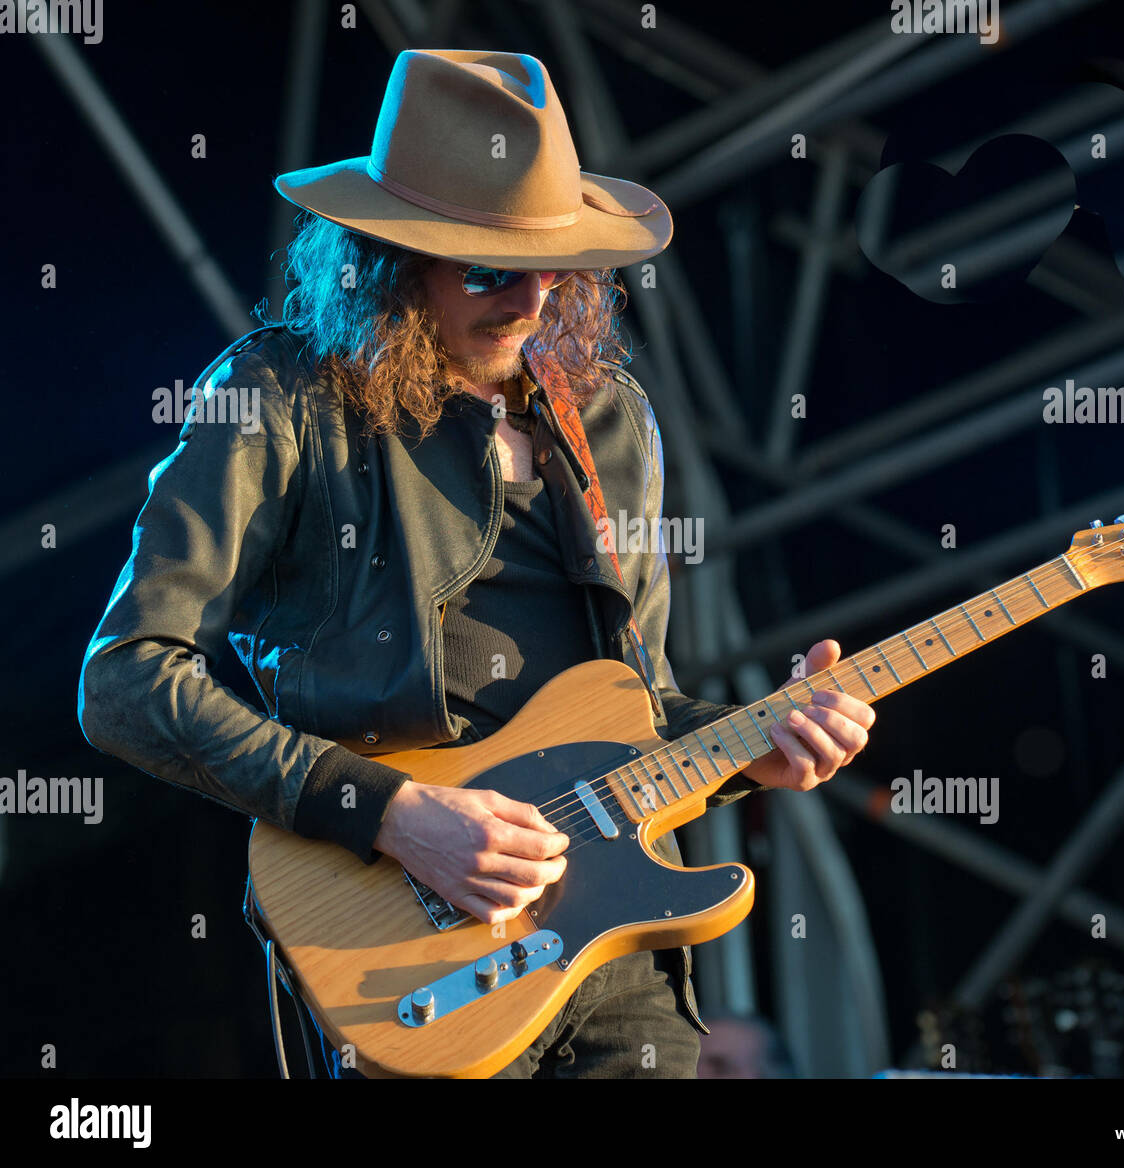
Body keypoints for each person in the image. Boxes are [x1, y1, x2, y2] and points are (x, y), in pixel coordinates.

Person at [77, 48, 875, 1079]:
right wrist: (393, 814)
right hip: (408, 953)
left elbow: (642, 713)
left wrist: (755, 748)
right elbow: (126, 679)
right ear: (389, 261)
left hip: (617, 960)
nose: (534, 303)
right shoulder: (282, 397)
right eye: (491, 269)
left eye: (557, 267)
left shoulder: (610, 421)